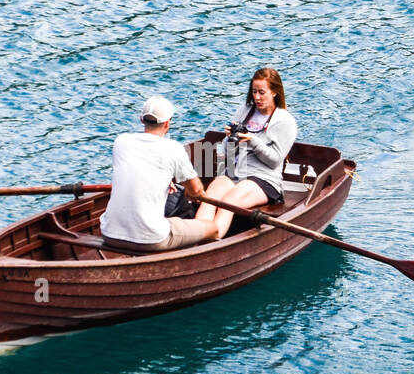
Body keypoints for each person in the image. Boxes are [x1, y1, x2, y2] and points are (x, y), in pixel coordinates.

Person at [99, 96, 219, 252]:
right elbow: (196, 191)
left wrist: (166, 179)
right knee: (213, 228)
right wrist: (193, 192)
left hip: (109, 234)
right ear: (168, 123)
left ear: (142, 120)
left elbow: (141, 166)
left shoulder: (121, 141)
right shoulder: (173, 148)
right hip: (151, 239)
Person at [195, 67, 297, 239]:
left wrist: (252, 141)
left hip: (264, 178)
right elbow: (228, 153)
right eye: (254, 92)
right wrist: (229, 139)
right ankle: (194, 237)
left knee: (229, 201)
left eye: (262, 92)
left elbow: (274, 161)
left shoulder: (284, 121)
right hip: (236, 172)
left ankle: (210, 244)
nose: (257, 97)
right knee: (210, 196)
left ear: (274, 93)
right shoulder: (245, 111)